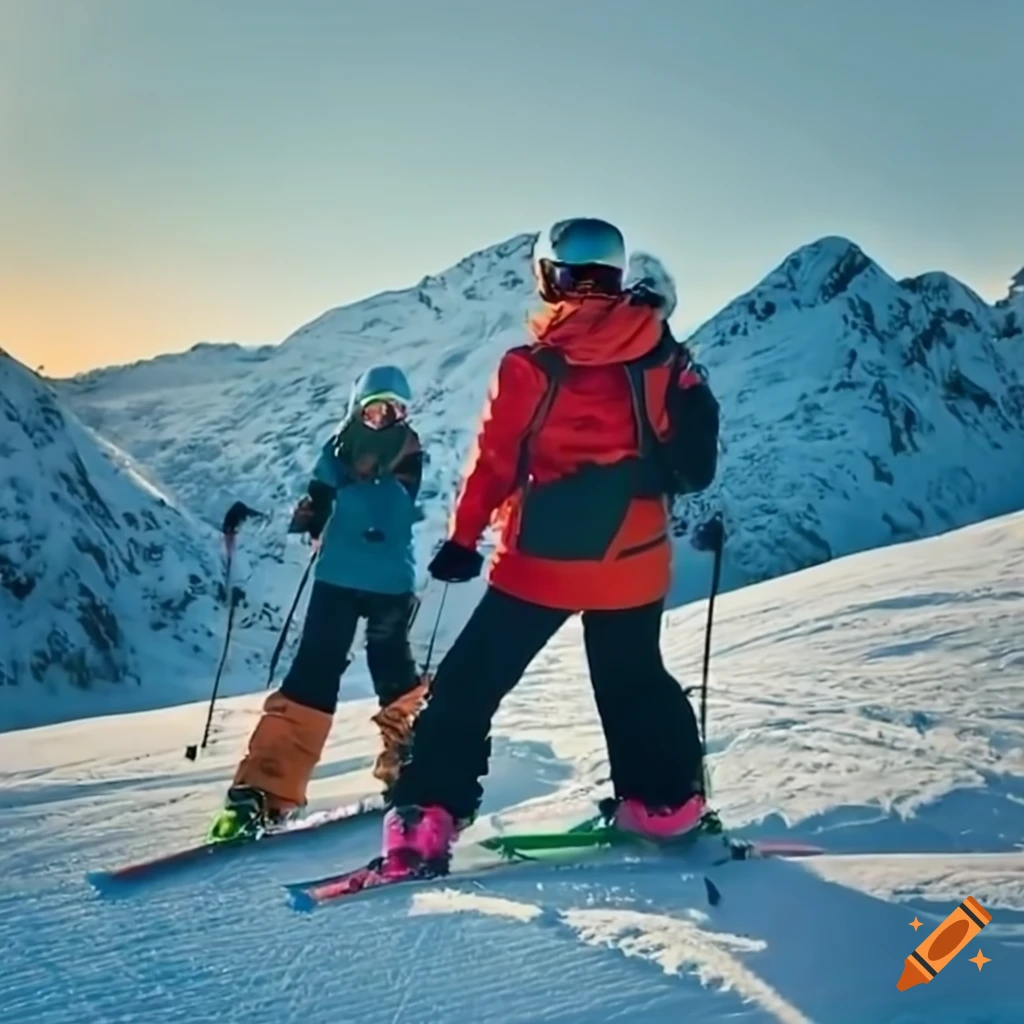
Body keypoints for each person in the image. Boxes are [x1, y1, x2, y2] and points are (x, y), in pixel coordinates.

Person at [376, 217, 721, 878]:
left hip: (543, 561)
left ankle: (426, 818)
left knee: (471, 685)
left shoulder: (529, 368)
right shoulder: (660, 352)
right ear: (618, 277)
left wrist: (462, 537)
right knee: (633, 678)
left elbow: (495, 463)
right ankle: (665, 803)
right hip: (636, 556)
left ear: (548, 277)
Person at [208, 364, 428, 841]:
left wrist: (334, 493)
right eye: (374, 408)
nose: (383, 418)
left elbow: (391, 502)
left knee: (392, 671)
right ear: (357, 410)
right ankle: (264, 788)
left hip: (388, 582)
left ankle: (415, 768)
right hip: (340, 577)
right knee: (313, 673)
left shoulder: (405, 453)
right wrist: (306, 514)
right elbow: (314, 507)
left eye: (393, 409)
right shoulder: (337, 454)